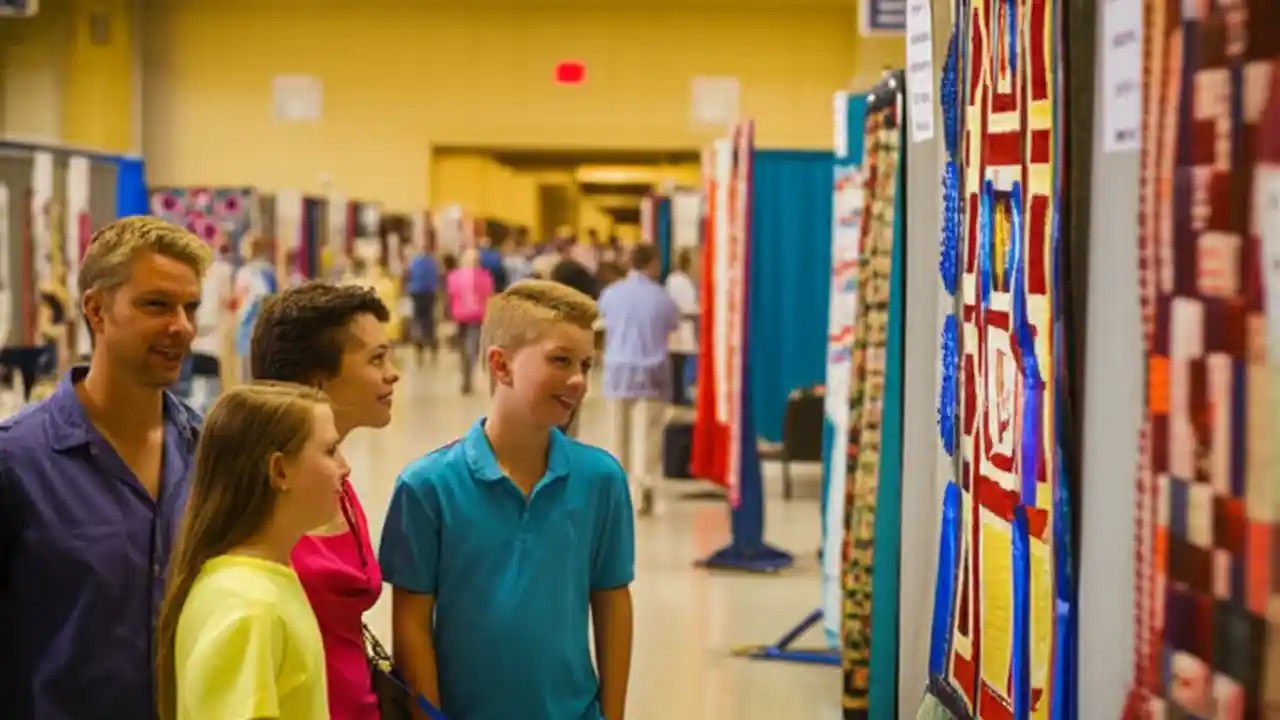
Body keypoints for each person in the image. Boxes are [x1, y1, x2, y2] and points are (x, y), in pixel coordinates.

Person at [380, 279, 635, 720]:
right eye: (560, 360)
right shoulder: (427, 487)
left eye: (587, 365)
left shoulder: (601, 479)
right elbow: (411, 623)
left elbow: (611, 601)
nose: (577, 380)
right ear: (501, 365)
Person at [0, 216, 210, 719]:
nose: (180, 326)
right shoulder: (17, 463)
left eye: (190, 307)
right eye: (156, 304)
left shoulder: (207, 453)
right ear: (96, 309)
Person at [250, 282, 400, 720]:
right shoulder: (261, 498)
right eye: (376, 359)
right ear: (318, 381)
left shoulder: (339, 482)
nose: (393, 373)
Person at [155, 383, 346, 720]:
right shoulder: (250, 607)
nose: (344, 468)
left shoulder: (262, 580)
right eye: (330, 451)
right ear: (279, 470)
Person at [597, 244, 679, 516]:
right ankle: (642, 492)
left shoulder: (610, 294)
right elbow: (672, 327)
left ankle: (615, 491)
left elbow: (602, 324)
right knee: (648, 435)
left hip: (618, 369)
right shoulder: (662, 298)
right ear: (653, 263)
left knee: (617, 434)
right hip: (652, 372)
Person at [446, 248, 496, 394]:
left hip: (460, 316)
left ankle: (465, 377)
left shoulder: (453, 276)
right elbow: (489, 296)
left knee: (464, 348)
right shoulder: (485, 276)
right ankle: (468, 375)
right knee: (472, 348)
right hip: (476, 317)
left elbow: (450, 296)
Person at [664, 248, 700, 406]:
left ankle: (678, 394)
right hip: (680, 325)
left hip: (682, 325)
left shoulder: (680, 280)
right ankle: (678, 395)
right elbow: (684, 306)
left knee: (679, 363)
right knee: (677, 363)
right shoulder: (678, 280)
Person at [406, 242, 440, 365]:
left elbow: (408, 277)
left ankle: (419, 352)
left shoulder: (414, 262)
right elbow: (437, 278)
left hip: (416, 293)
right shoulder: (433, 263)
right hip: (430, 294)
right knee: (429, 321)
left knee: (418, 321)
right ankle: (432, 349)